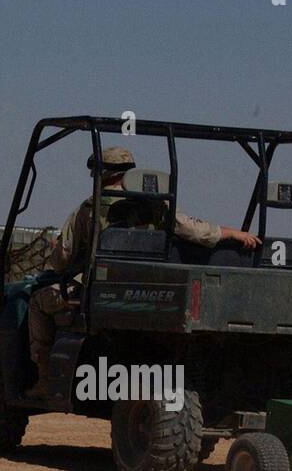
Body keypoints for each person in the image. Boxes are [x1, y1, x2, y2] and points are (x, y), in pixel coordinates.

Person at [27, 146, 260, 395]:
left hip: (98, 286)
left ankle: (44, 378)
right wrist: (233, 233)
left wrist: (55, 249)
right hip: (146, 284)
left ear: (104, 173)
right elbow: (194, 230)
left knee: (37, 302)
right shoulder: (156, 204)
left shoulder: (90, 207)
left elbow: (62, 259)